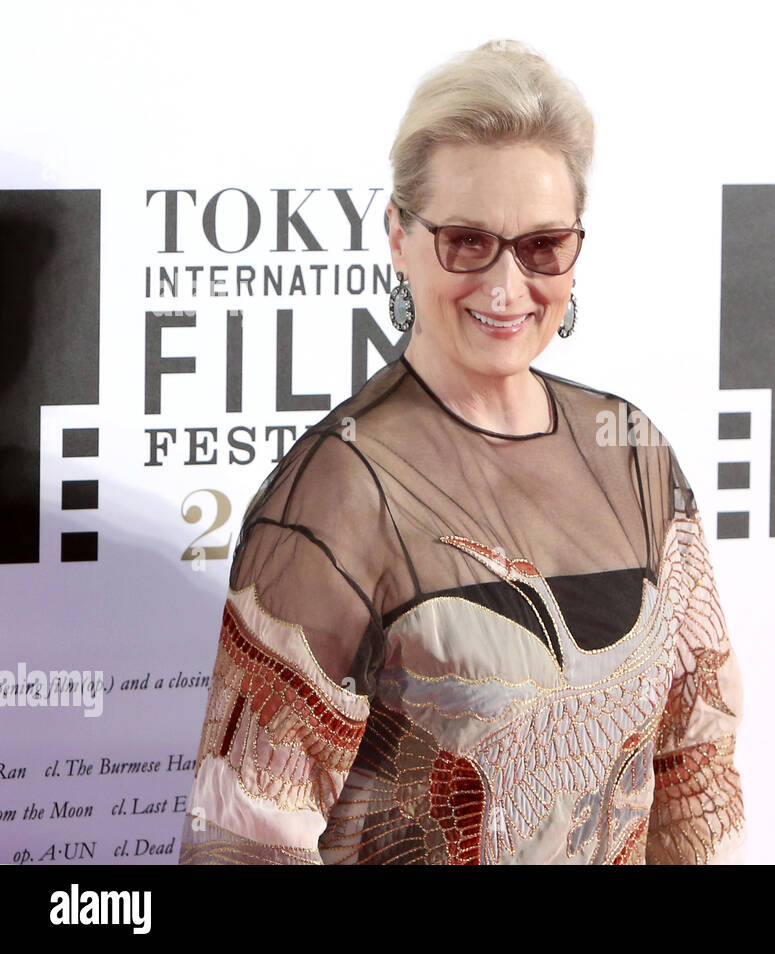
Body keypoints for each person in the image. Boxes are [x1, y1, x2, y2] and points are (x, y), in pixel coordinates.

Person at [178, 39, 744, 865]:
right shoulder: (339, 491)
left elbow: (698, 760)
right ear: (400, 239)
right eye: (468, 242)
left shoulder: (634, 456)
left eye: (543, 245)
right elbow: (243, 843)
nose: (507, 286)